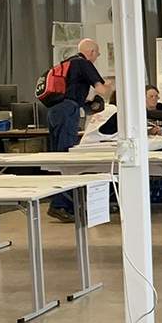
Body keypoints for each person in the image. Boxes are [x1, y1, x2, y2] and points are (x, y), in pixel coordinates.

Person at [45, 37, 110, 222]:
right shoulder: (84, 63)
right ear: (90, 52)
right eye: (97, 53)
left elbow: (75, 95)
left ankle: (63, 203)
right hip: (67, 112)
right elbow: (103, 90)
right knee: (67, 158)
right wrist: (112, 86)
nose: (97, 57)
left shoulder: (66, 63)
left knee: (59, 157)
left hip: (55, 111)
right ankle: (60, 205)